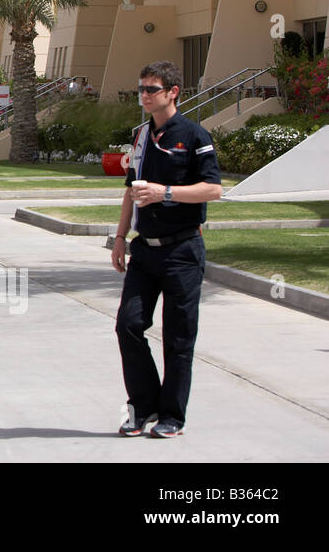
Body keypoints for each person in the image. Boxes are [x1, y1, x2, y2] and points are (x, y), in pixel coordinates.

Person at [112, 60, 223, 439]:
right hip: (145, 250)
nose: (143, 96)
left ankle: (172, 416)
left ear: (172, 92)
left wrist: (167, 193)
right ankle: (143, 407)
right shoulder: (142, 135)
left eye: (151, 90)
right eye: (140, 89)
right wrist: (120, 237)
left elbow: (214, 189)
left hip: (183, 250)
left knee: (178, 338)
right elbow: (130, 190)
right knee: (128, 325)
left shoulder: (194, 135)